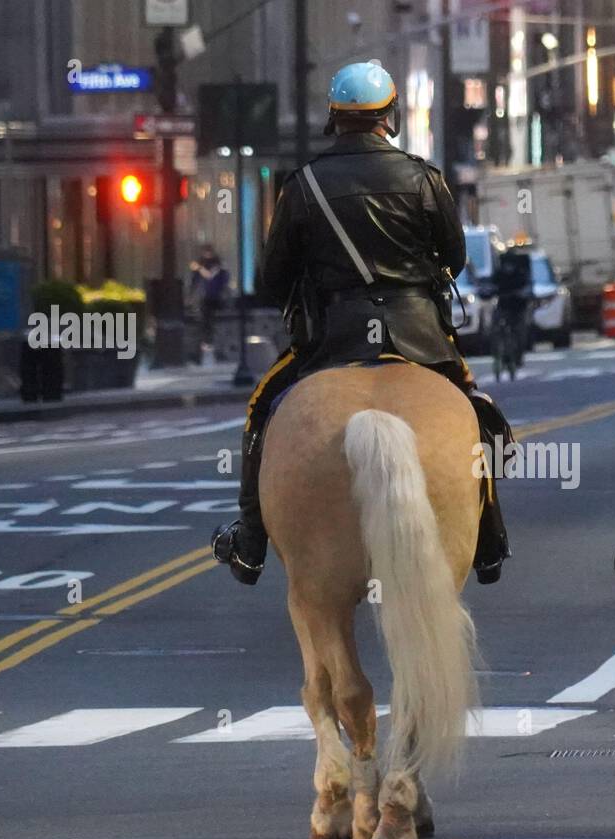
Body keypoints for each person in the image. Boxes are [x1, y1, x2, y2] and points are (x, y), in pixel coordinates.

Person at [211, 61, 512, 587]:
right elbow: (455, 258)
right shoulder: (424, 178)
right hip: (419, 335)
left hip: (332, 336)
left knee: (262, 410)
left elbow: (271, 276)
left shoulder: (302, 185)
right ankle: (488, 538)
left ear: (334, 118)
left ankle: (251, 541)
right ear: (389, 116)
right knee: (476, 414)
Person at [189, 246, 230, 360]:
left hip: (214, 298)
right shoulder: (203, 266)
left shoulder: (217, 266)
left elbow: (210, 276)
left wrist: (199, 268)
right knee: (204, 321)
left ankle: (208, 342)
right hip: (205, 299)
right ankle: (206, 343)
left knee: (209, 320)